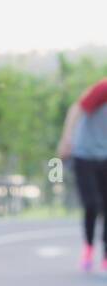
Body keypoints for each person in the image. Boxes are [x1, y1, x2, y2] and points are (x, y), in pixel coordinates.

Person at [57, 77, 107, 272]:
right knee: (92, 204)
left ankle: (105, 253)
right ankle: (88, 246)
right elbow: (76, 109)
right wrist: (66, 139)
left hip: (105, 156)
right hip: (84, 154)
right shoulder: (103, 88)